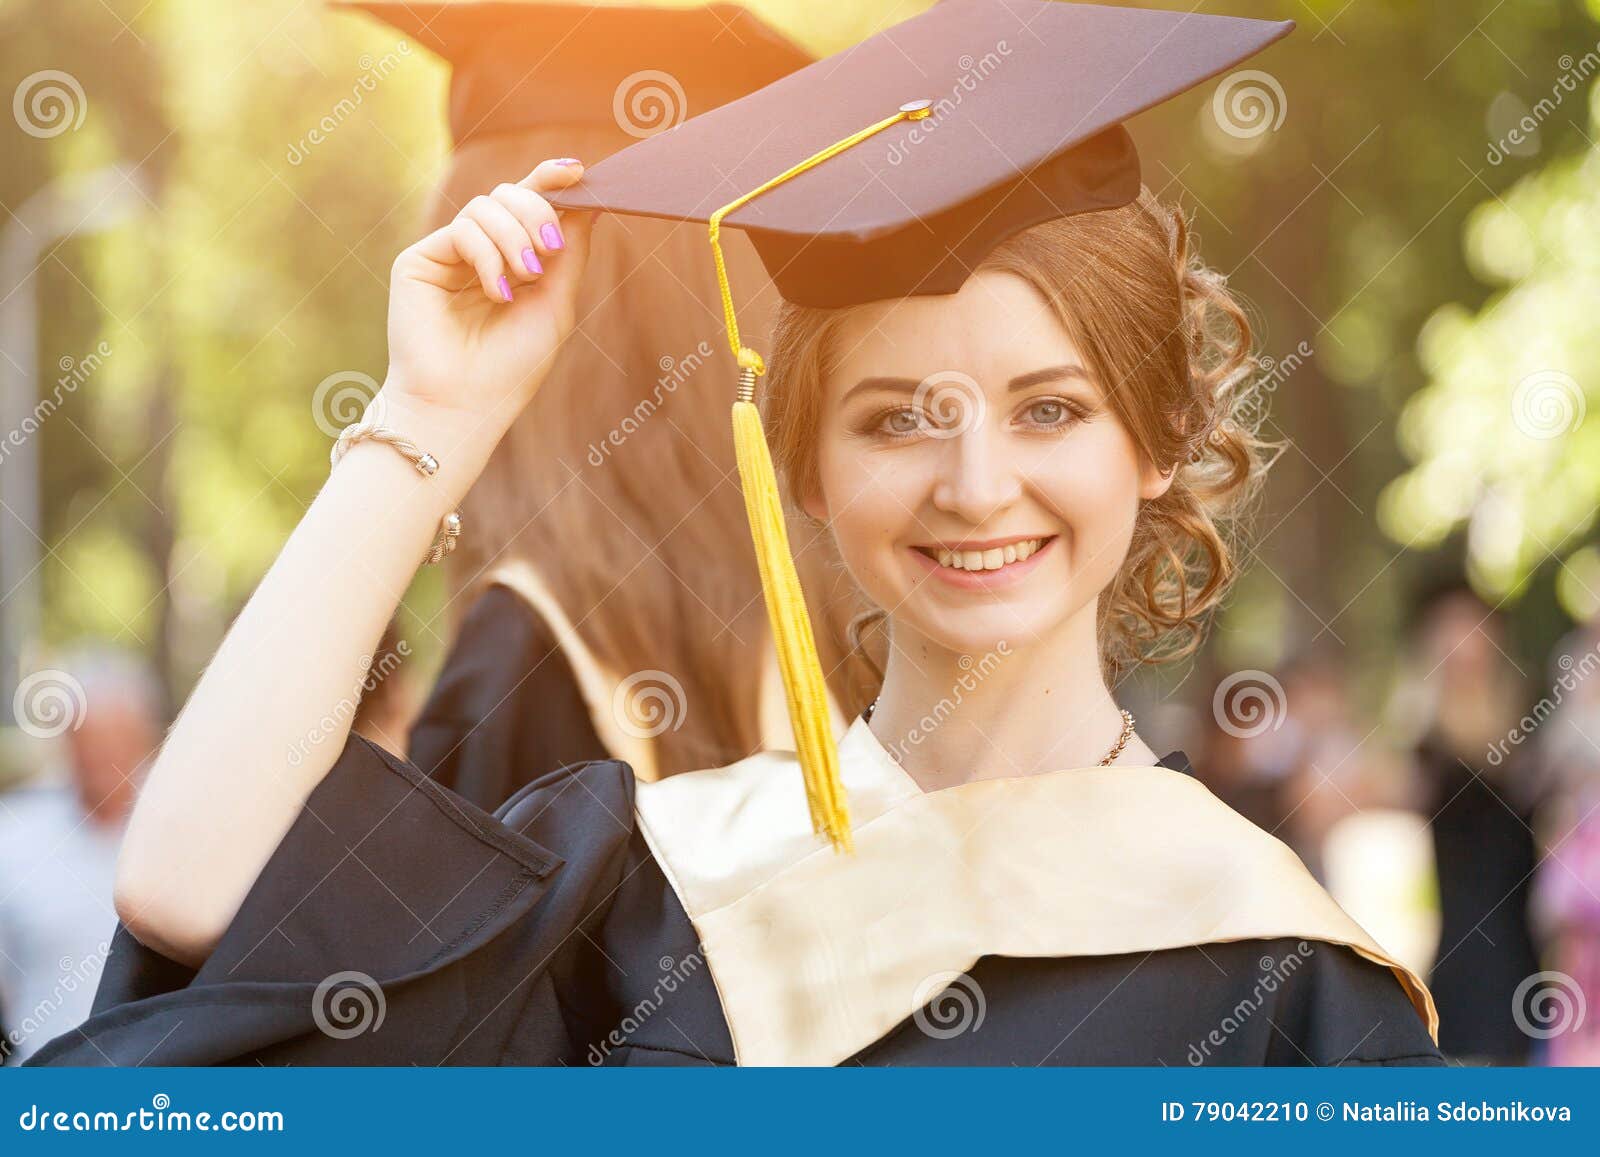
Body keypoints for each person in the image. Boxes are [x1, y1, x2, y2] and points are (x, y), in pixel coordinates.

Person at [29, 0, 1441, 1067]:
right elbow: (193, 885)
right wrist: (433, 413)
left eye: (1050, 408)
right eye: (894, 419)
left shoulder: (1293, 980)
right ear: (803, 472)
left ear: (1153, 442)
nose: (973, 480)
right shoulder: (653, 889)